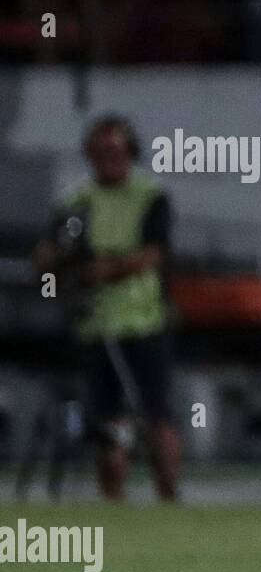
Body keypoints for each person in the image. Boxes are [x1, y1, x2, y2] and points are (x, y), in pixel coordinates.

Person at [35, 115, 181, 502]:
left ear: (130, 152)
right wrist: (61, 257)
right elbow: (47, 255)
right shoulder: (74, 200)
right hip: (95, 324)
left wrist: (108, 269)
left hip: (143, 321)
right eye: (100, 153)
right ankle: (113, 500)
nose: (108, 159)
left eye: (116, 151)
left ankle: (169, 494)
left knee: (157, 415)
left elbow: (155, 254)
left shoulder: (150, 195)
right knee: (106, 419)